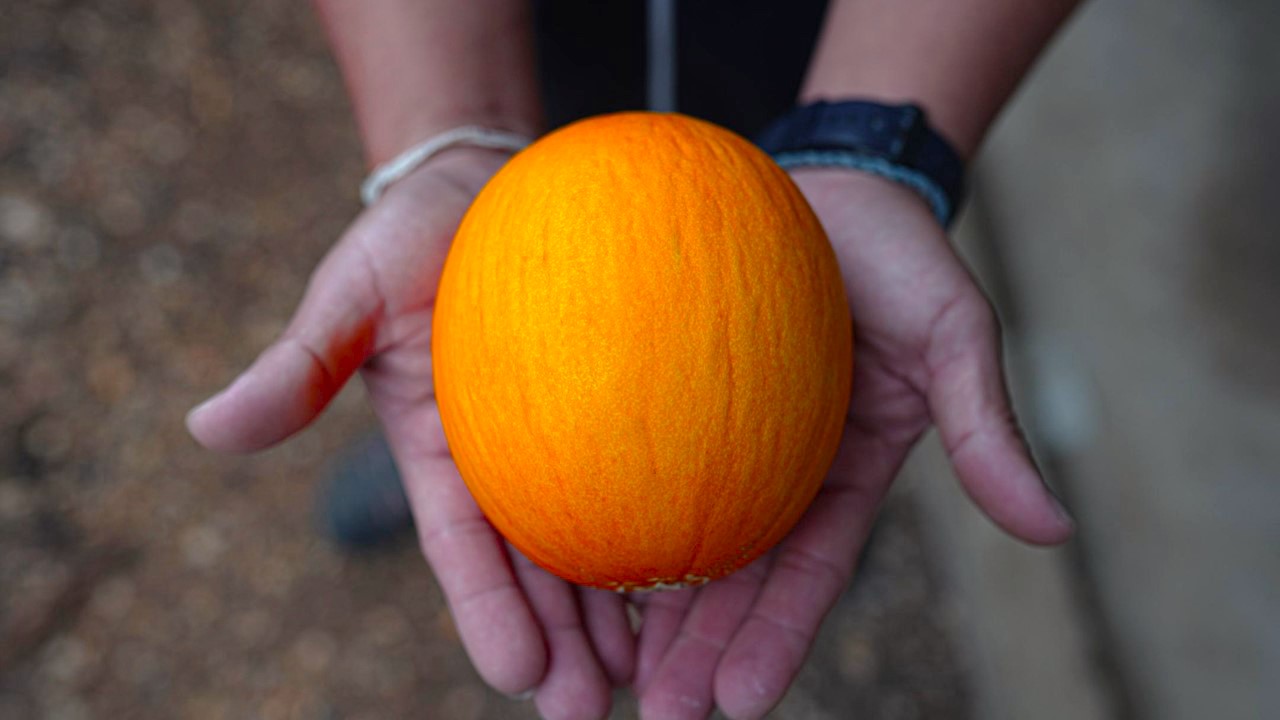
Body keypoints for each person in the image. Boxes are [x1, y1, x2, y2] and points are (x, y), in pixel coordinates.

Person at [185, 1, 1080, 718]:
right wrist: (450, 134)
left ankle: (546, 435)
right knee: (524, 297)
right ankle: (482, 416)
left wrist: (867, 143)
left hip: (809, 90)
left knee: (780, 353)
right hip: (530, 88)